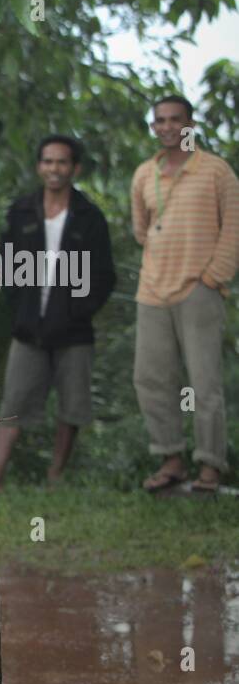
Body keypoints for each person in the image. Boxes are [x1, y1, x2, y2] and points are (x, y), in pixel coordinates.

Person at [0, 134, 116, 491]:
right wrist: (18, 305)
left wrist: (80, 309)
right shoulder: (22, 211)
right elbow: (5, 262)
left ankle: (55, 476)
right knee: (13, 402)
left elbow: (104, 275)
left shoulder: (90, 216)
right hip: (29, 327)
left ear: (75, 168)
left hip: (74, 329)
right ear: (39, 166)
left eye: (62, 162)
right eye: (48, 161)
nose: (54, 168)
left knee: (72, 406)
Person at [132, 94, 238, 493]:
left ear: (190, 124)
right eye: (160, 120)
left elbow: (234, 227)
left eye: (176, 119)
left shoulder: (215, 170)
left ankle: (210, 467)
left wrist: (212, 277)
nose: (168, 127)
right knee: (151, 378)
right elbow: (141, 230)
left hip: (199, 289)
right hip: (152, 291)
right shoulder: (145, 173)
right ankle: (171, 460)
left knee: (202, 382)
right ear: (153, 126)